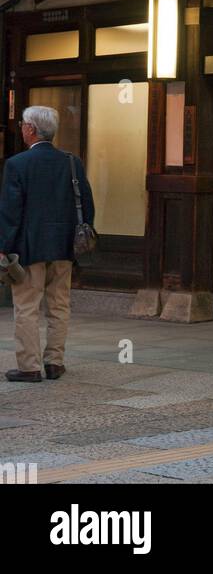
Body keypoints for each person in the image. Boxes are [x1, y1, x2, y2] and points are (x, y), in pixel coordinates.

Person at [0, 104, 94, 383]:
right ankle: (54, 362)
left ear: (30, 129)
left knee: (27, 307)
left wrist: (4, 246)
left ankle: (29, 366)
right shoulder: (71, 161)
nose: (21, 130)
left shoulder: (17, 164)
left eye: (22, 126)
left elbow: (10, 211)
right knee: (59, 304)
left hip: (29, 248)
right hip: (65, 246)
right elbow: (86, 205)